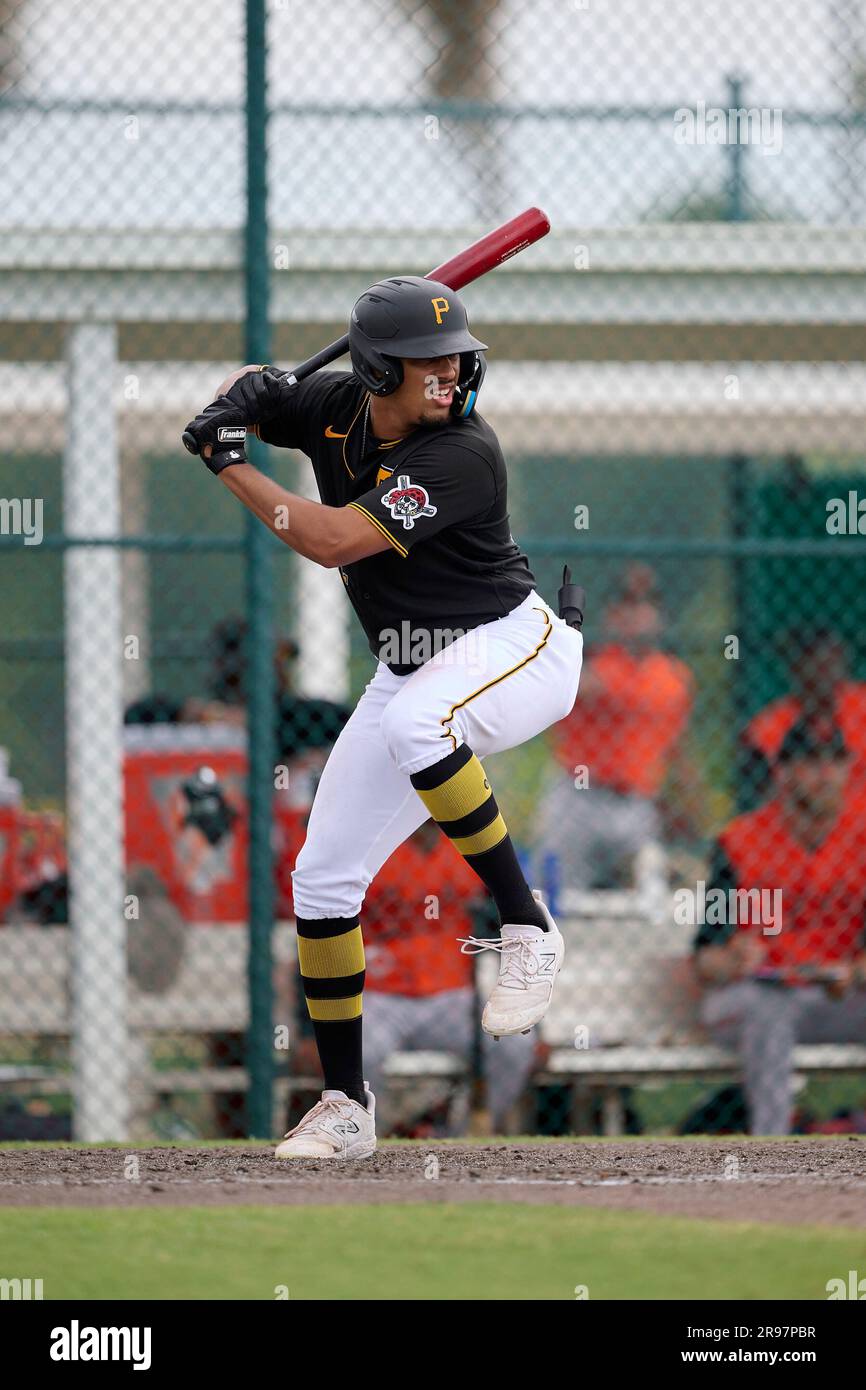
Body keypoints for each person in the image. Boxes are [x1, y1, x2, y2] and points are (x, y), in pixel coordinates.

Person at [183, 275, 583, 1159]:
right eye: (425, 364)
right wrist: (241, 390)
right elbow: (256, 388)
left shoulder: (464, 454)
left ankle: (526, 922)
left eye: (454, 358)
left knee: (417, 727)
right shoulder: (335, 405)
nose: (448, 374)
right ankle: (346, 1105)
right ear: (374, 371)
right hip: (410, 666)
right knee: (321, 879)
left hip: (515, 649)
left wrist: (228, 460)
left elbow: (328, 540)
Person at [694, 719, 866, 1135]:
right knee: (767, 1011)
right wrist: (732, 959)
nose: (825, 774)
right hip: (754, 998)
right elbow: (704, 960)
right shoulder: (739, 842)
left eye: (835, 761)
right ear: (783, 772)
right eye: (810, 762)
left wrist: (856, 971)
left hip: (836, 998)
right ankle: (772, 1152)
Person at [362, 820, 535, 1134]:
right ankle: (367, 1136)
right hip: (377, 996)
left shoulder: (473, 845)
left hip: (452, 1000)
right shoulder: (370, 845)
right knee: (362, 1051)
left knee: (515, 1043)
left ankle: (458, 1138)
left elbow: (515, 930)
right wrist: (307, 1029)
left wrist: (531, 1014)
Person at [536, 564, 700, 891]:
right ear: (611, 614)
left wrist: (690, 806)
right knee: (558, 899)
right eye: (627, 604)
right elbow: (555, 689)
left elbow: (677, 749)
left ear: (660, 615)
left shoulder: (673, 679)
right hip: (578, 797)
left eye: (645, 604)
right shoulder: (595, 662)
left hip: (638, 804)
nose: (637, 614)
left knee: (646, 902)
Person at [740, 630, 866, 803]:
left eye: (835, 662)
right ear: (795, 669)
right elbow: (765, 795)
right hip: (805, 822)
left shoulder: (861, 703)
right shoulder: (770, 725)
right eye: (821, 665)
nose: (831, 672)